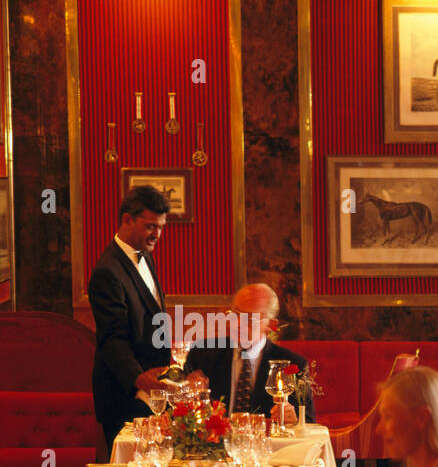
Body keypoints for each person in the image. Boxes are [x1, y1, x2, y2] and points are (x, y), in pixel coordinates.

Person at [89, 185, 173, 449]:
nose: (157, 234)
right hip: (124, 394)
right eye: (150, 226)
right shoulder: (107, 271)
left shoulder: (145, 256)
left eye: (160, 226)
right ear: (127, 220)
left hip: (151, 393)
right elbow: (112, 338)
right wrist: (140, 379)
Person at [185, 283, 315, 420]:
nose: (238, 323)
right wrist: (188, 396)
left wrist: (295, 420)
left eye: (250, 318)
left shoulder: (293, 365)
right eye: (235, 314)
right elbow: (178, 412)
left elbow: (309, 422)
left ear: (271, 325)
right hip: (215, 440)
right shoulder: (202, 353)